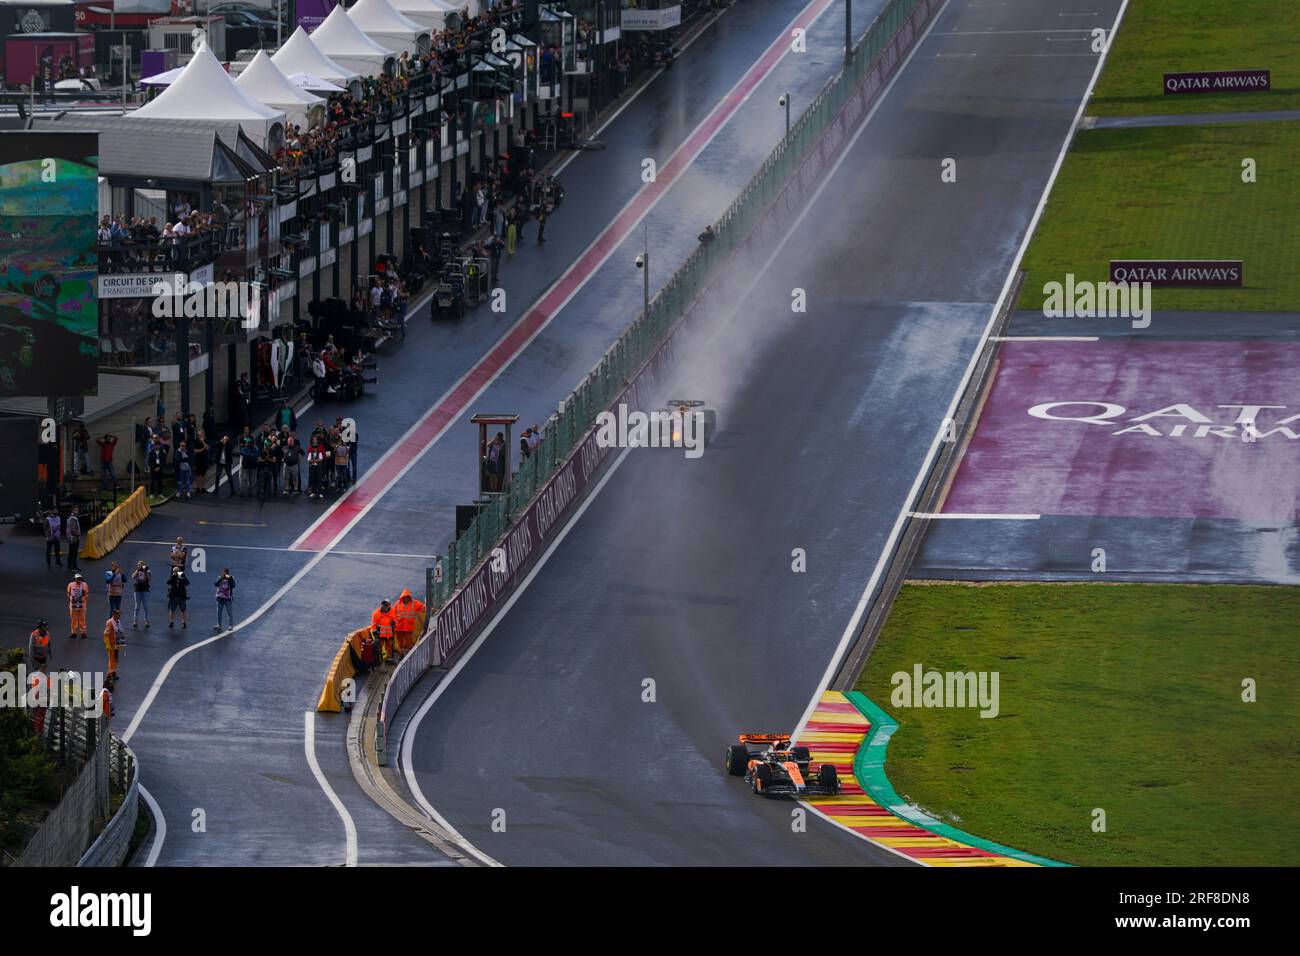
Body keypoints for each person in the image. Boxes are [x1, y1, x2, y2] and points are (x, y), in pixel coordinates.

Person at [393, 588, 425, 656]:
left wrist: (430, 608)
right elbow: (393, 613)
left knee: (409, 643)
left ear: (409, 597)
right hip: (398, 627)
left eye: (407, 597)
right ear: (402, 597)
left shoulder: (414, 603)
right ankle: (401, 655)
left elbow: (423, 607)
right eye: (404, 597)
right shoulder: (397, 603)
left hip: (408, 628)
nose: (406, 598)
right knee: (400, 643)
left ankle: (409, 655)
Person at [371, 599, 398, 664]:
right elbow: (373, 624)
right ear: (381, 605)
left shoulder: (392, 611)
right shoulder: (376, 613)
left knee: (390, 646)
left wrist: (394, 622)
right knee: (379, 647)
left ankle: (389, 658)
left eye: (386, 606)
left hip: (390, 634)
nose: (384, 607)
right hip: (380, 634)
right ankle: (378, 659)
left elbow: (396, 619)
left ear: (388, 606)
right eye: (383, 605)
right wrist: (375, 633)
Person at [103, 609, 124, 680]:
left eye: (120, 614)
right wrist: (107, 645)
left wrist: (121, 643)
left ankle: (113, 671)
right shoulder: (109, 623)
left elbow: (120, 632)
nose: (119, 616)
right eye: (118, 614)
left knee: (115, 659)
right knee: (111, 659)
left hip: (116, 644)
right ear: (114, 615)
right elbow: (106, 634)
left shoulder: (118, 622)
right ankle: (110, 673)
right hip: (111, 644)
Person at [67, 573, 89, 639]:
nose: (79, 580)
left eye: (80, 579)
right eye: (78, 579)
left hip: (82, 604)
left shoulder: (84, 585)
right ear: (75, 579)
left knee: (82, 618)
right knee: (74, 619)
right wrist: (71, 599)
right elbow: (68, 593)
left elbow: (86, 593)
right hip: (73, 604)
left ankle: (83, 632)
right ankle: (74, 632)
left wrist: (84, 598)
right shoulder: (71, 584)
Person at [131, 560, 152, 629]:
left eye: (141, 564)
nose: (140, 566)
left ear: (144, 565)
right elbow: (133, 576)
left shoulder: (147, 571)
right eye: (139, 564)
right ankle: (135, 620)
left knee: (146, 606)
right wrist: (137, 570)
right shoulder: (137, 570)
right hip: (137, 590)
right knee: (137, 606)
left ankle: (146, 620)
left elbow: (149, 579)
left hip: (145, 590)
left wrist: (146, 571)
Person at [65, 507, 81, 572]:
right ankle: (74, 567)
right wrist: (77, 534)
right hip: (74, 538)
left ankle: (69, 566)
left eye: (78, 510)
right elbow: (73, 529)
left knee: (71, 552)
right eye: (75, 510)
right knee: (74, 553)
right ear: (72, 511)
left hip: (71, 537)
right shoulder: (73, 518)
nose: (77, 511)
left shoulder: (70, 517)